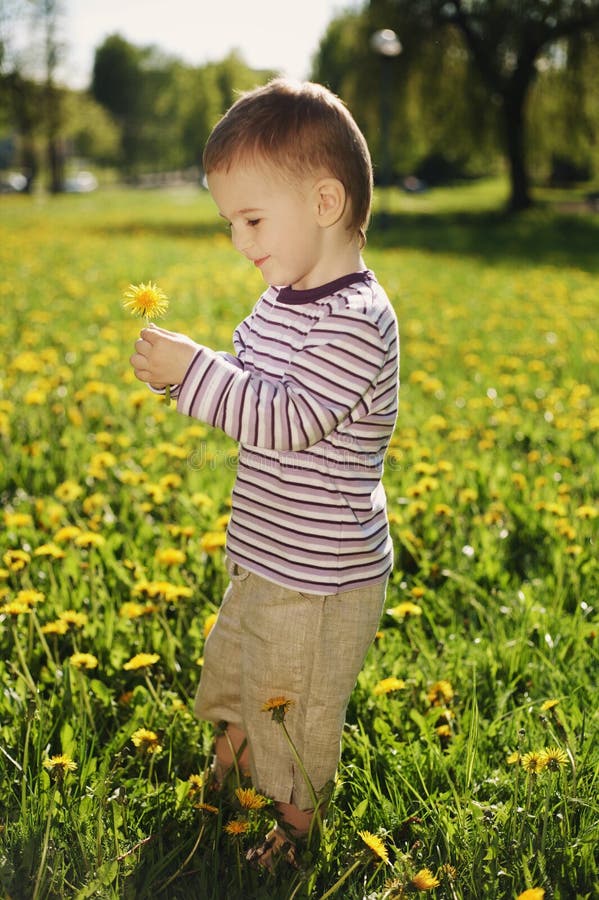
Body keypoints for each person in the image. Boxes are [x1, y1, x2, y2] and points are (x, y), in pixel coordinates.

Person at [129, 78, 399, 868]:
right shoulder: (282, 298)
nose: (241, 242)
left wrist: (192, 375)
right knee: (243, 663)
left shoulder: (356, 321)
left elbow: (285, 418)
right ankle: (234, 763)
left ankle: (292, 825)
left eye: (251, 220)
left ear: (323, 203)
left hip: (320, 575)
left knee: (295, 700)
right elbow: (250, 377)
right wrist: (197, 372)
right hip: (266, 552)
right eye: (229, 224)